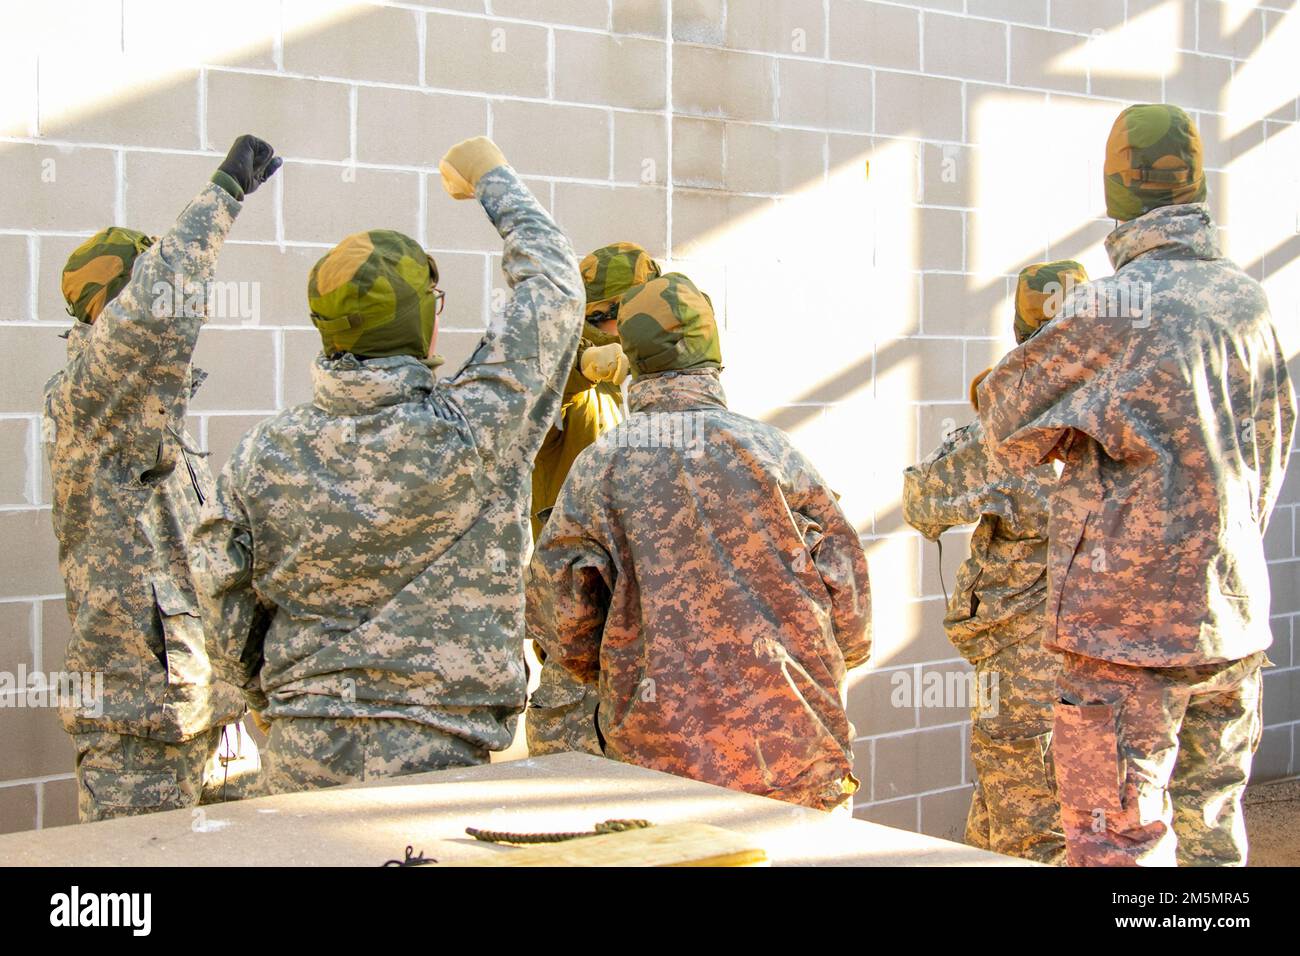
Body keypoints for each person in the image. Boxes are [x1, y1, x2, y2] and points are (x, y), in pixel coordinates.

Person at [189, 136, 584, 795]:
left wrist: (261, 690)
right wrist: (492, 177)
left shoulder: (263, 453)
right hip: (439, 769)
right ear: (424, 321)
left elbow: (220, 589)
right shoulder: (476, 428)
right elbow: (553, 288)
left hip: (299, 755)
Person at [979, 104, 1296, 866]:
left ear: (1118, 189)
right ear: (1196, 183)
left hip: (1127, 638)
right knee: (1214, 837)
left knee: (1117, 842)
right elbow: (1271, 446)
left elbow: (1004, 423)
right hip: (1232, 619)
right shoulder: (1249, 301)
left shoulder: (1111, 307)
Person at [527, 272, 871, 812]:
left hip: (662, 766)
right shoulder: (776, 452)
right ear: (713, 358)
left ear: (632, 360)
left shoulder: (601, 466)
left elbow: (564, 627)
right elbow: (852, 617)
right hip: (796, 758)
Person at [44, 135, 281, 821]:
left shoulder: (159, 425)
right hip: (139, 737)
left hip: (217, 721)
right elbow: (154, 313)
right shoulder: (86, 404)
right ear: (108, 313)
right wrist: (222, 196)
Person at [902, 260, 1089, 863]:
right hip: (1117, 654)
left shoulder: (1015, 421)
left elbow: (924, 499)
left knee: (1027, 827)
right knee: (1086, 813)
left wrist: (990, 403)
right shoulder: (1133, 401)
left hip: (1031, 661)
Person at [526, 241, 659, 758]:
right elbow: (530, 400)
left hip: (639, 634)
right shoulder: (570, 374)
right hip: (584, 640)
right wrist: (582, 366)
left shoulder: (642, 376)